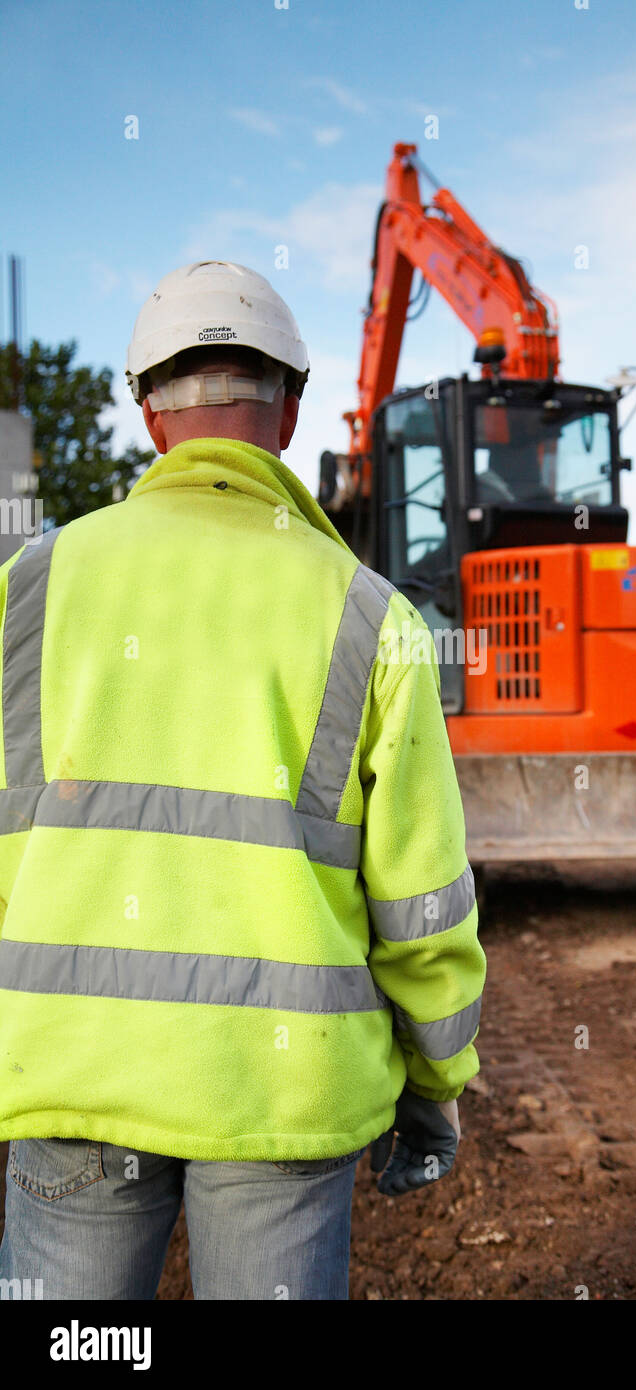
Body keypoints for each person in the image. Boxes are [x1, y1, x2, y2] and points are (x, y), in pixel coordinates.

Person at [0, 260, 486, 1300]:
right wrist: (437, 1079)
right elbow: (422, 900)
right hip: (283, 1087)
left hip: (76, 1071)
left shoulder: (30, 587)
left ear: (144, 414)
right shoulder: (368, 615)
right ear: (295, 409)